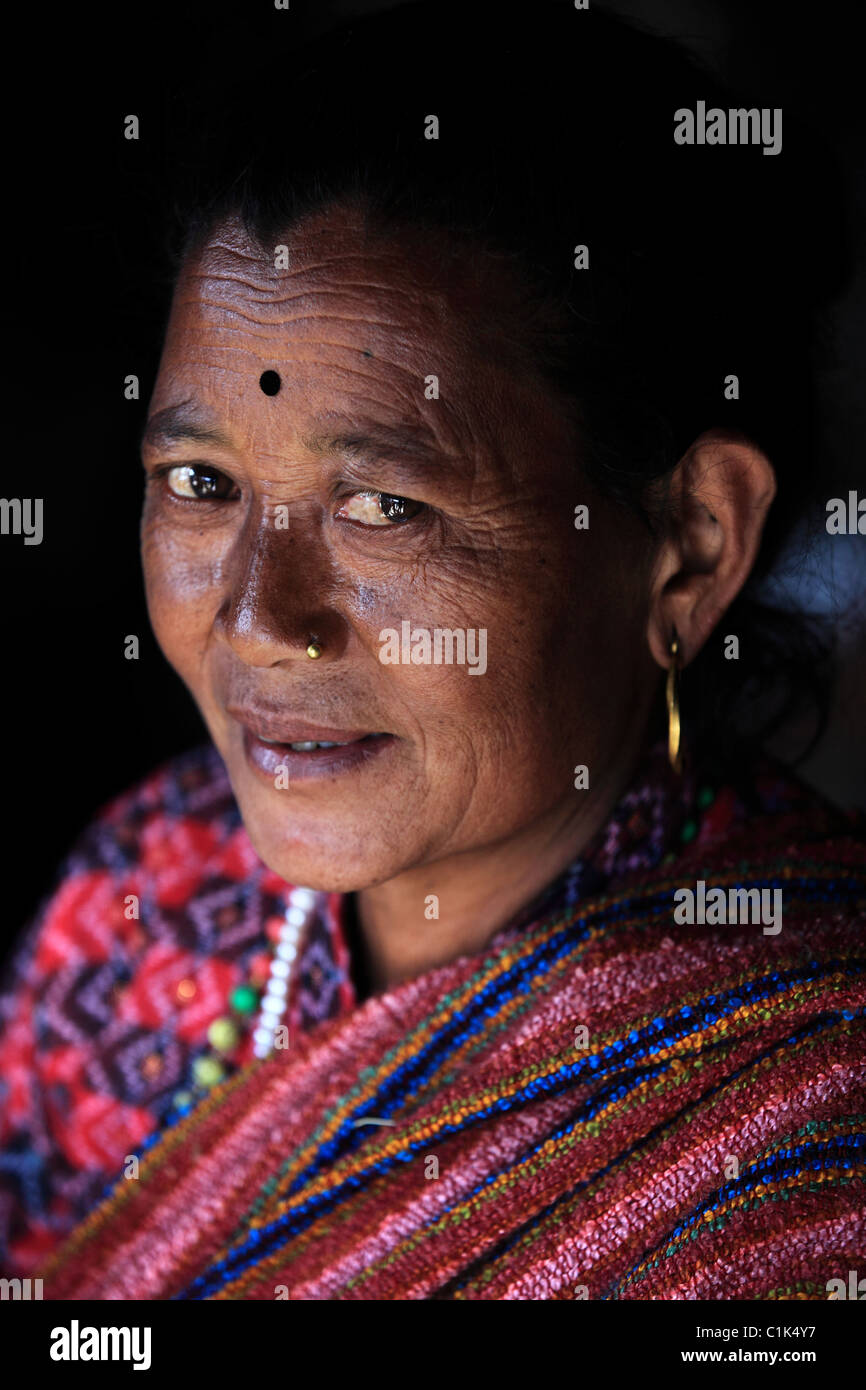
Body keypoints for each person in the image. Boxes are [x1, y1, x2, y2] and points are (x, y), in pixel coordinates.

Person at [1, 2, 863, 1299]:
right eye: (197, 478)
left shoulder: (808, 1125)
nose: (254, 618)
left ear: (687, 542)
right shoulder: (141, 898)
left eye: (384, 507)